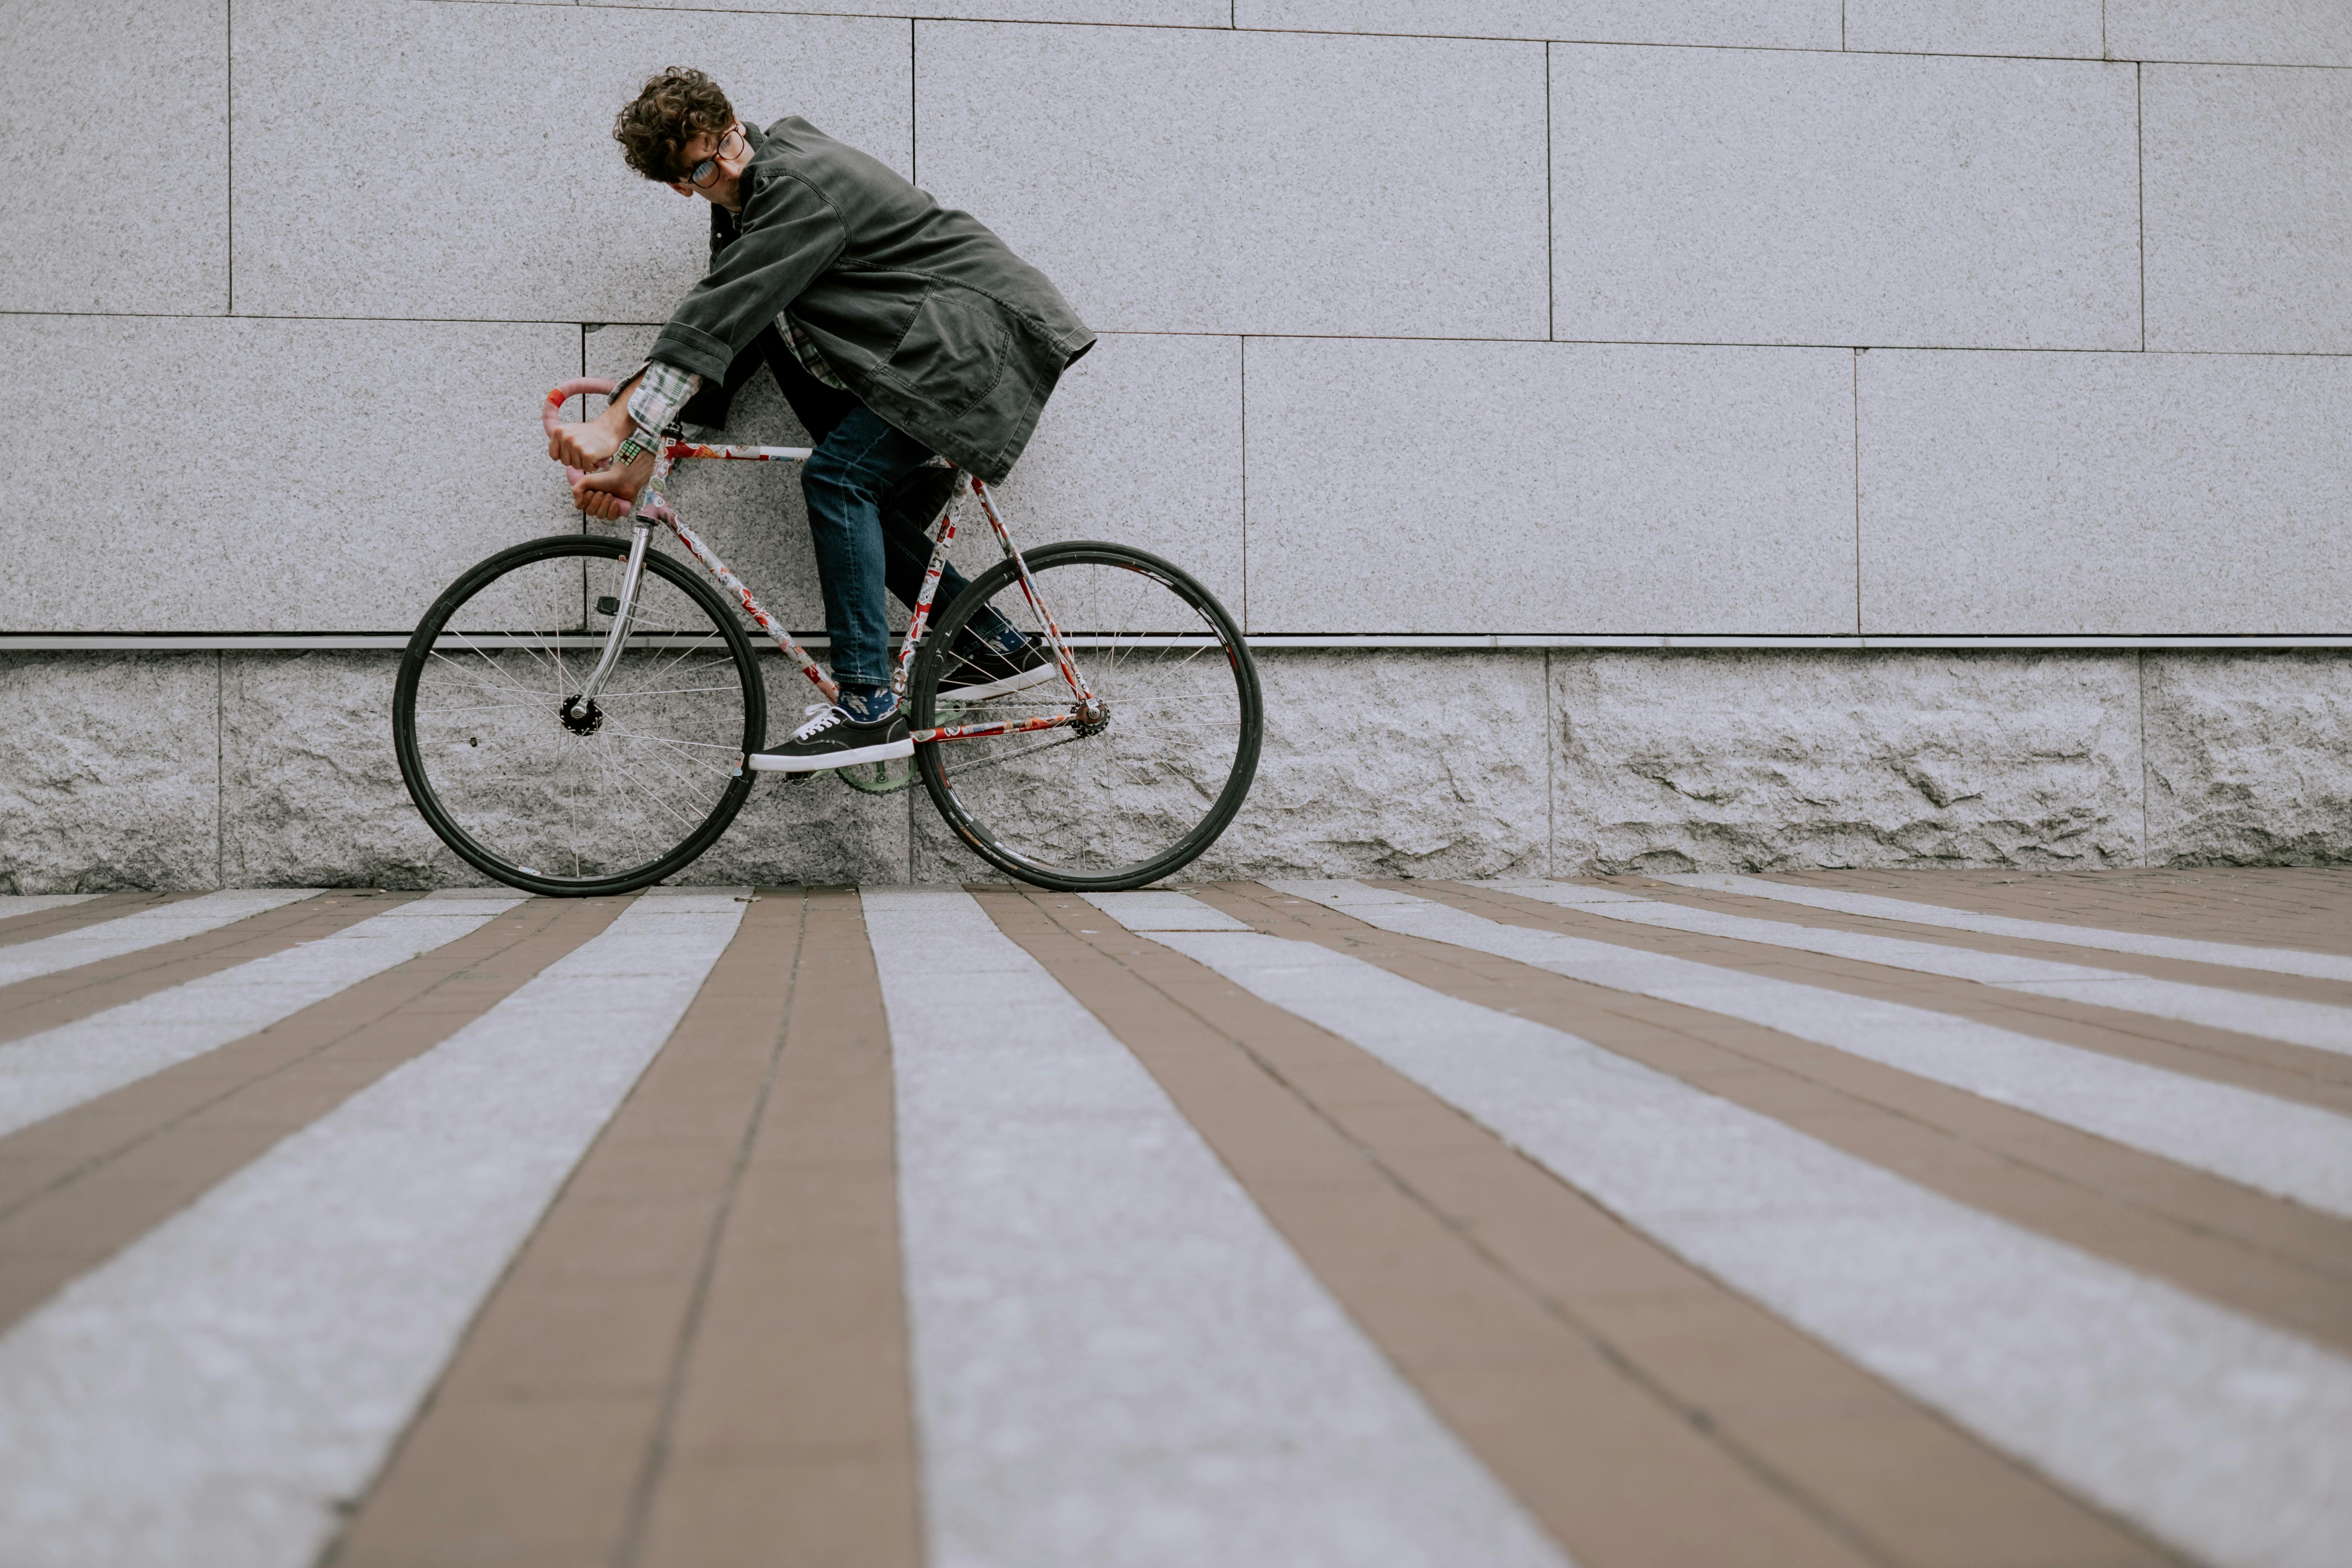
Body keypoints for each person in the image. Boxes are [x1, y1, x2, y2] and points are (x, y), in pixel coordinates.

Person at [550, 68, 1095, 773]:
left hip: (966, 346)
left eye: (732, 139)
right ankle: (995, 646)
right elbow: (735, 327)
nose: (731, 159)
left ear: (735, 123)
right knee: (861, 503)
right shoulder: (746, 206)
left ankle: (867, 707)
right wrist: (649, 449)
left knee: (838, 480)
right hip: (929, 353)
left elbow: (722, 309)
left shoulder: (797, 183)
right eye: (707, 165)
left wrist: (619, 423)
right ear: (681, 186)